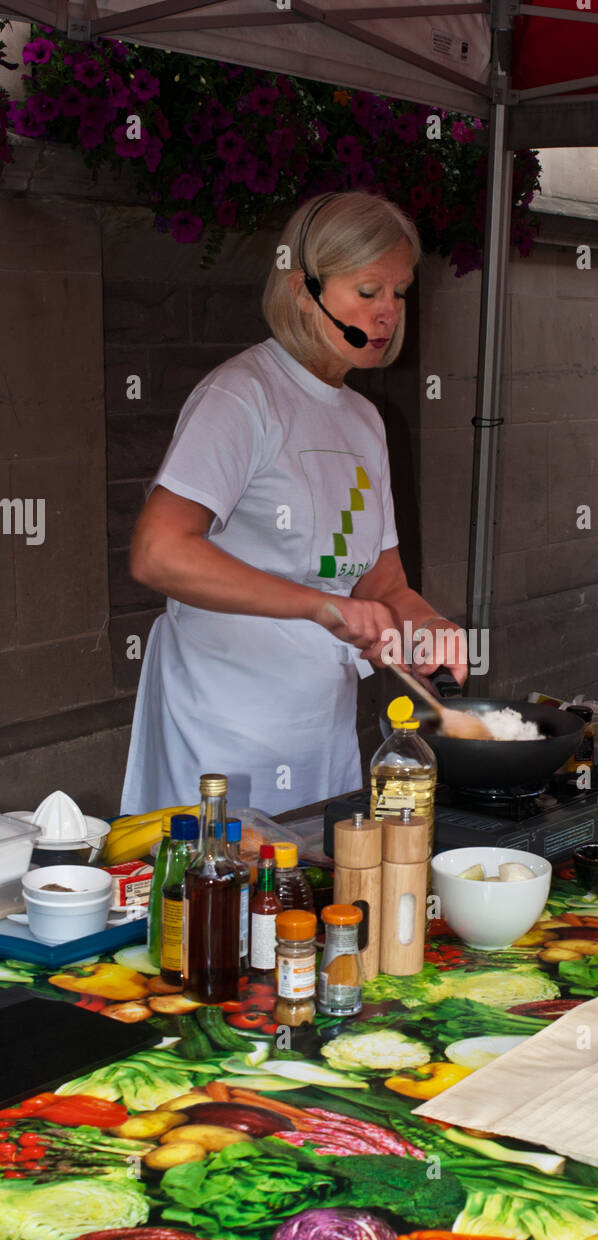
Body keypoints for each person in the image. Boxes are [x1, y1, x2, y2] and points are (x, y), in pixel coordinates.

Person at [121, 190, 467, 815]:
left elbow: (382, 583)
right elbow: (157, 552)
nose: (388, 312)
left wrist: (428, 627)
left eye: (399, 292)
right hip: (220, 729)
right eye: (368, 292)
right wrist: (320, 607)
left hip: (319, 725)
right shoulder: (241, 396)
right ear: (302, 288)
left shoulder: (365, 420)